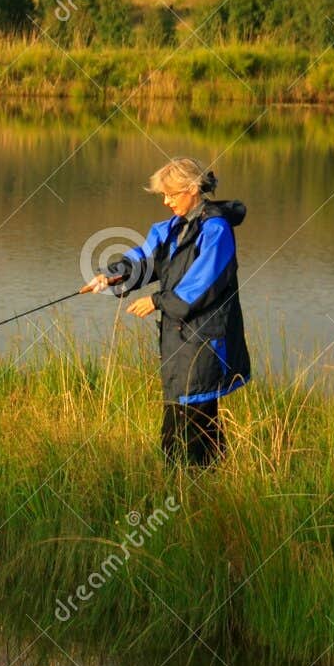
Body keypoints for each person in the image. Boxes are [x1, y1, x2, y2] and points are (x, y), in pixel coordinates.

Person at [82, 157, 250, 465]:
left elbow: (203, 284)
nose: (165, 200)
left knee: (194, 420)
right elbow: (142, 262)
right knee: (180, 417)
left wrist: (157, 301)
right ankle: (195, 490)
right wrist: (111, 276)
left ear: (192, 189)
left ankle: (197, 489)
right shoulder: (169, 229)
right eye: (163, 194)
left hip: (204, 339)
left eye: (171, 194)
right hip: (176, 337)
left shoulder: (216, 230)